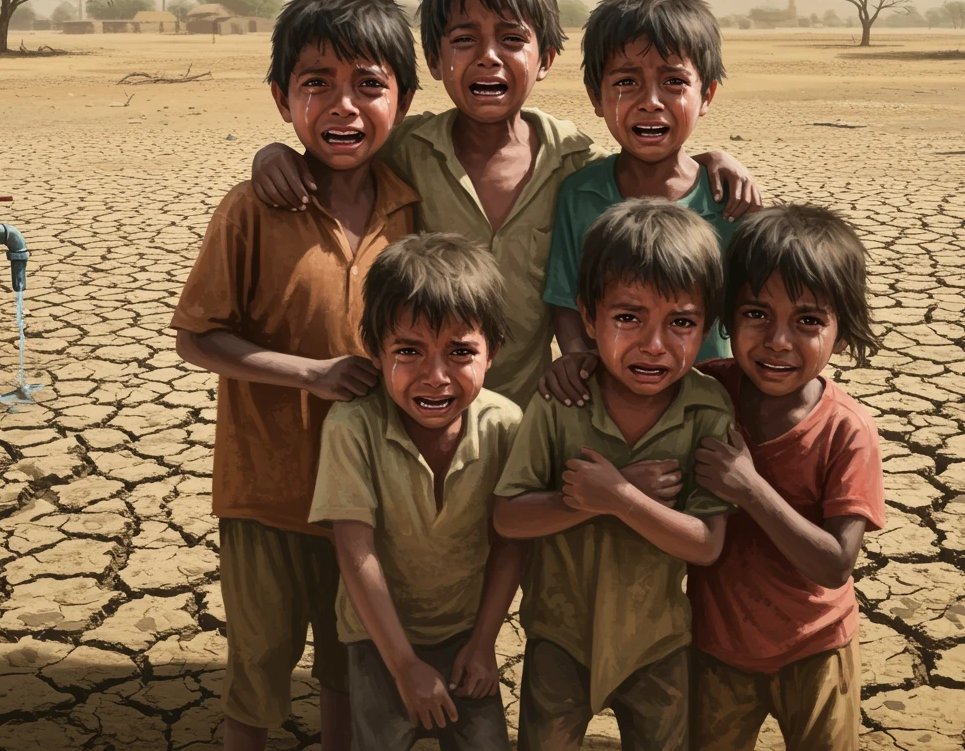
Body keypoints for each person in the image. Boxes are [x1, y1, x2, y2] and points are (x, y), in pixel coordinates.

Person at [245, 0, 763, 405]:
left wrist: (713, 160)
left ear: (545, 59)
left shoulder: (572, 164)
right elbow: (343, 145)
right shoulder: (405, 150)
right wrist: (274, 152)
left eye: (512, 39)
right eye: (464, 39)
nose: (488, 57)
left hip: (533, 408)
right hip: (427, 401)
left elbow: (645, 171)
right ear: (433, 57)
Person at [170, 0, 421, 751]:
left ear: (403, 103)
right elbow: (197, 337)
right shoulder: (253, 206)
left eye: (369, 86)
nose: (343, 107)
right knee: (260, 670)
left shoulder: (412, 205)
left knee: (351, 666)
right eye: (318, 85)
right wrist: (308, 374)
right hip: (266, 493)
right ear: (283, 98)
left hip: (368, 495)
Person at [493, 198, 736, 751]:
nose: (654, 344)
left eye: (681, 323)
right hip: (559, 637)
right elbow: (508, 516)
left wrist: (621, 497)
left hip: (659, 643)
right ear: (587, 316)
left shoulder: (707, 411)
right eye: (628, 317)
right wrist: (589, 499)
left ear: (706, 325)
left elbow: (705, 546)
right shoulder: (559, 401)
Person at [309, 233, 523, 750]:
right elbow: (353, 546)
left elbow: (511, 542)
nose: (435, 376)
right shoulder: (352, 424)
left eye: (460, 352)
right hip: (378, 637)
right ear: (375, 350)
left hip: (466, 635)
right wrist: (403, 664)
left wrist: (483, 643)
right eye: (408, 351)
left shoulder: (505, 425)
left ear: (492, 352)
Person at [687, 204, 885, 751]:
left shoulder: (847, 432)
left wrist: (749, 488)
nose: (777, 340)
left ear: (842, 333)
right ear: (727, 317)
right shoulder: (707, 392)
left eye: (808, 321)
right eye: (756, 313)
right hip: (715, 652)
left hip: (817, 650)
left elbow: (834, 563)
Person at [541, 0, 738, 410]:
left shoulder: (727, 199)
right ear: (597, 96)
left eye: (673, 81)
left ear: (705, 95)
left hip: (709, 403)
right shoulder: (581, 193)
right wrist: (580, 363)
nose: (651, 101)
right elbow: (564, 301)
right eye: (627, 81)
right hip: (610, 406)